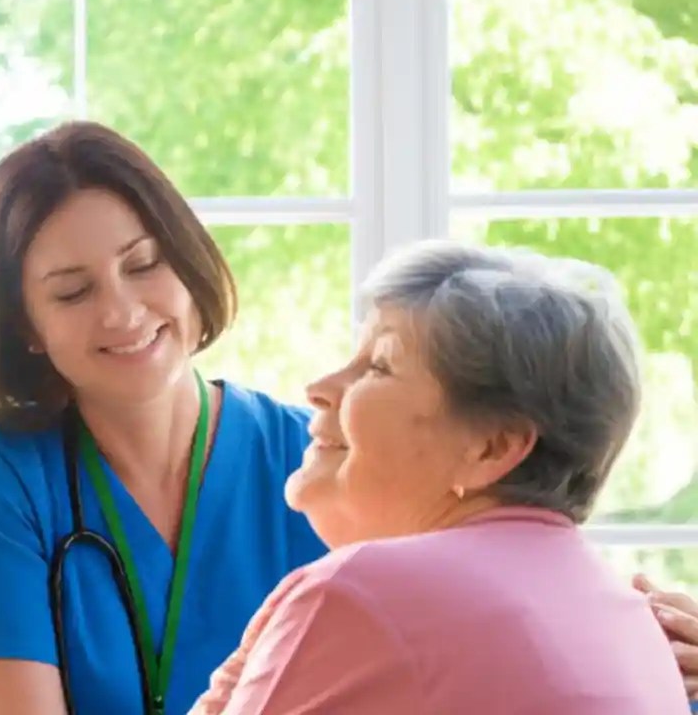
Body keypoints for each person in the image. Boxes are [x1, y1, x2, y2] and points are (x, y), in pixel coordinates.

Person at [0, 120, 698, 714]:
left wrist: (648, 644)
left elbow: (506, 565)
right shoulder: (3, 482)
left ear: (186, 265)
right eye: (72, 291)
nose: (122, 311)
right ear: (26, 324)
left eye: (144, 264)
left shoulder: (321, 463)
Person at [190, 241, 690, 713]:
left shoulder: (364, 592)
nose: (318, 388)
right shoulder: (629, 623)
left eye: (379, 367)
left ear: (492, 447)